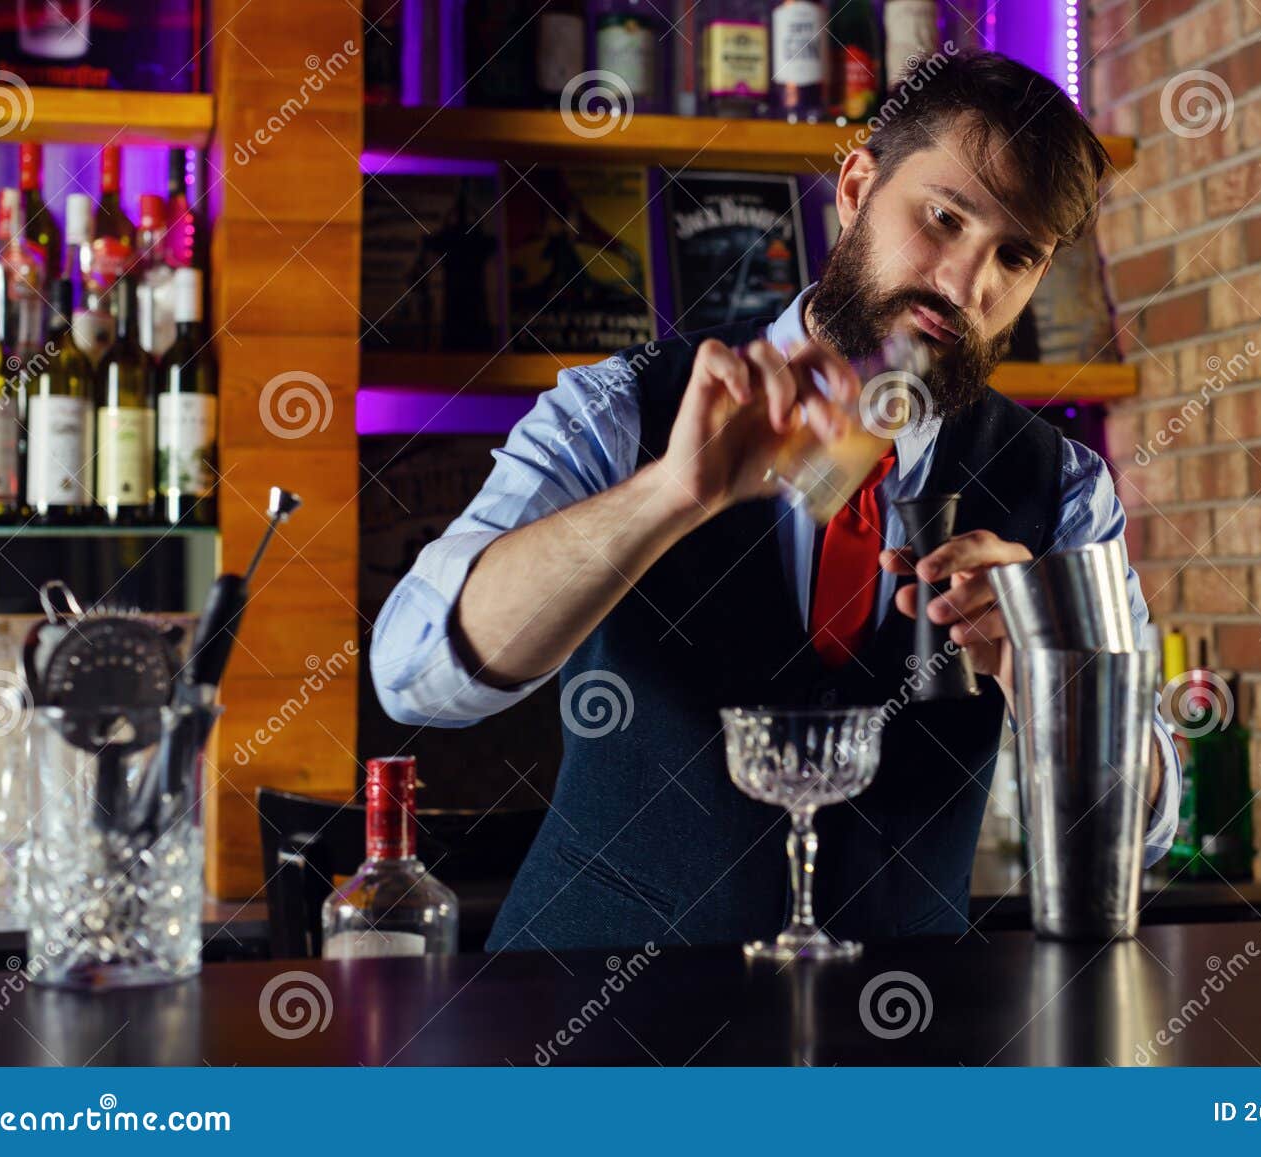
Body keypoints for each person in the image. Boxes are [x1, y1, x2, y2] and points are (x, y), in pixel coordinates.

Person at [371, 52, 1181, 953]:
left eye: (1015, 255)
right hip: (589, 1010)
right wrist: (666, 497)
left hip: (909, 1025)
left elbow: (1147, 829)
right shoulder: (620, 407)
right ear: (857, 188)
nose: (965, 285)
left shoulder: (1063, 488)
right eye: (945, 218)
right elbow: (413, 672)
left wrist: (1051, 679)